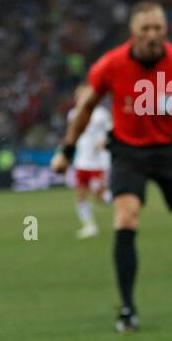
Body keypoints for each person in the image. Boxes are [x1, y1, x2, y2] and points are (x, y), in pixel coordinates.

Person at [52, 1, 172, 332]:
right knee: (125, 219)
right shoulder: (110, 65)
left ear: (165, 30)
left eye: (157, 28)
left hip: (169, 151)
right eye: (145, 29)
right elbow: (86, 108)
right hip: (128, 151)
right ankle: (128, 310)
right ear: (133, 32)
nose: (151, 35)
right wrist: (67, 151)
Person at [65, 83, 112, 239]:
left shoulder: (100, 114)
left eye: (86, 95)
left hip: (98, 162)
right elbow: (71, 135)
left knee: (99, 196)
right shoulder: (72, 114)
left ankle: (121, 200)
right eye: (81, 95)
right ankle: (89, 226)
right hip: (81, 161)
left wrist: (104, 141)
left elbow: (111, 131)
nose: (84, 97)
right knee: (80, 195)